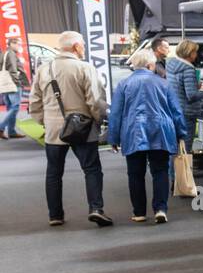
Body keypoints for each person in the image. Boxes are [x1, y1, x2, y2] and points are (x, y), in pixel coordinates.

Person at [28, 30, 111, 227]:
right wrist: (98, 121)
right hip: (82, 127)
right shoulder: (85, 68)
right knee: (91, 169)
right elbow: (96, 100)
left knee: (54, 173)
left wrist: (44, 121)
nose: (83, 47)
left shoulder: (44, 69)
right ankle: (96, 209)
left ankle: (55, 215)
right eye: (82, 44)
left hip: (54, 130)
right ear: (75, 47)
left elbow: (34, 102)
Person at [108, 48, 188, 224]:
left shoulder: (123, 85)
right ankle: (160, 209)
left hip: (133, 132)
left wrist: (113, 137)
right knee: (160, 171)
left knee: (135, 174)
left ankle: (139, 213)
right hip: (161, 131)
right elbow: (176, 111)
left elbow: (115, 114)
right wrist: (181, 132)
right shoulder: (164, 83)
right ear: (151, 65)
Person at [166, 39, 203, 140]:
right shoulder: (188, 69)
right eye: (195, 52)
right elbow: (192, 95)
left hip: (174, 109)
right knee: (186, 146)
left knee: (175, 144)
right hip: (186, 112)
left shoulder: (170, 65)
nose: (197, 54)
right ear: (190, 53)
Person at [0, 35, 26, 139]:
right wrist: (18, 83)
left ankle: (11, 131)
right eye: (18, 44)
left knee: (10, 107)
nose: (19, 46)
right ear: (11, 43)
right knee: (15, 107)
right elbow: (13, 71)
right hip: (13, 84)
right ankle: (1, 128)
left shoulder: (4, 53)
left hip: (5, 84)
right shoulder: (10, 54)